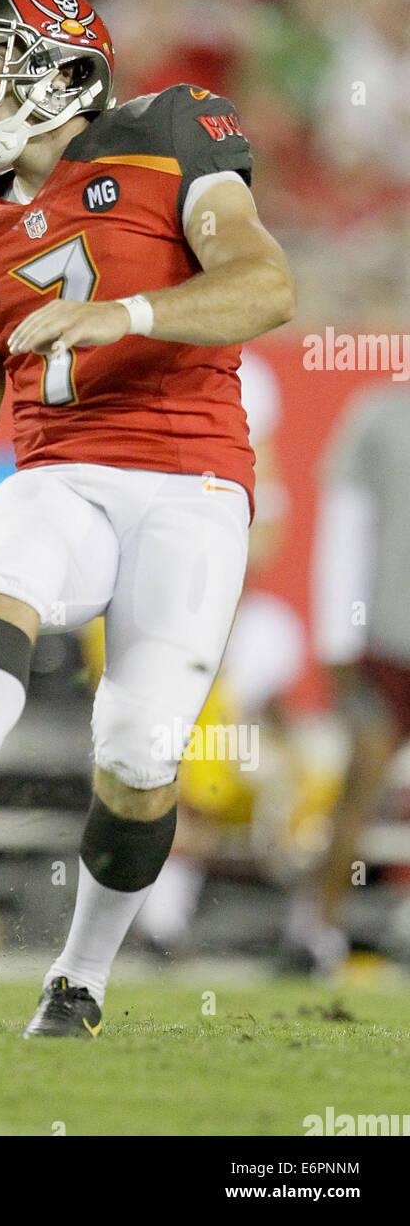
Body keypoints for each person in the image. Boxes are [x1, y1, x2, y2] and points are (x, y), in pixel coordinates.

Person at [0, 0, 295, 1037]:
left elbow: (266, 284)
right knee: (15, 531)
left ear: (63, 60)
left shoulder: (171, 134)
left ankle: (80, 977)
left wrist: (129, 310)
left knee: (144, 751)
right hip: (64, 472)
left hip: (194, 486)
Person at [285, 386, 410, 974]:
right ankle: (317, 930)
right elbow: (345, 530)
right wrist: (338, 639)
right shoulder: (379, 417)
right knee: (358, 787)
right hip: (388, 639)